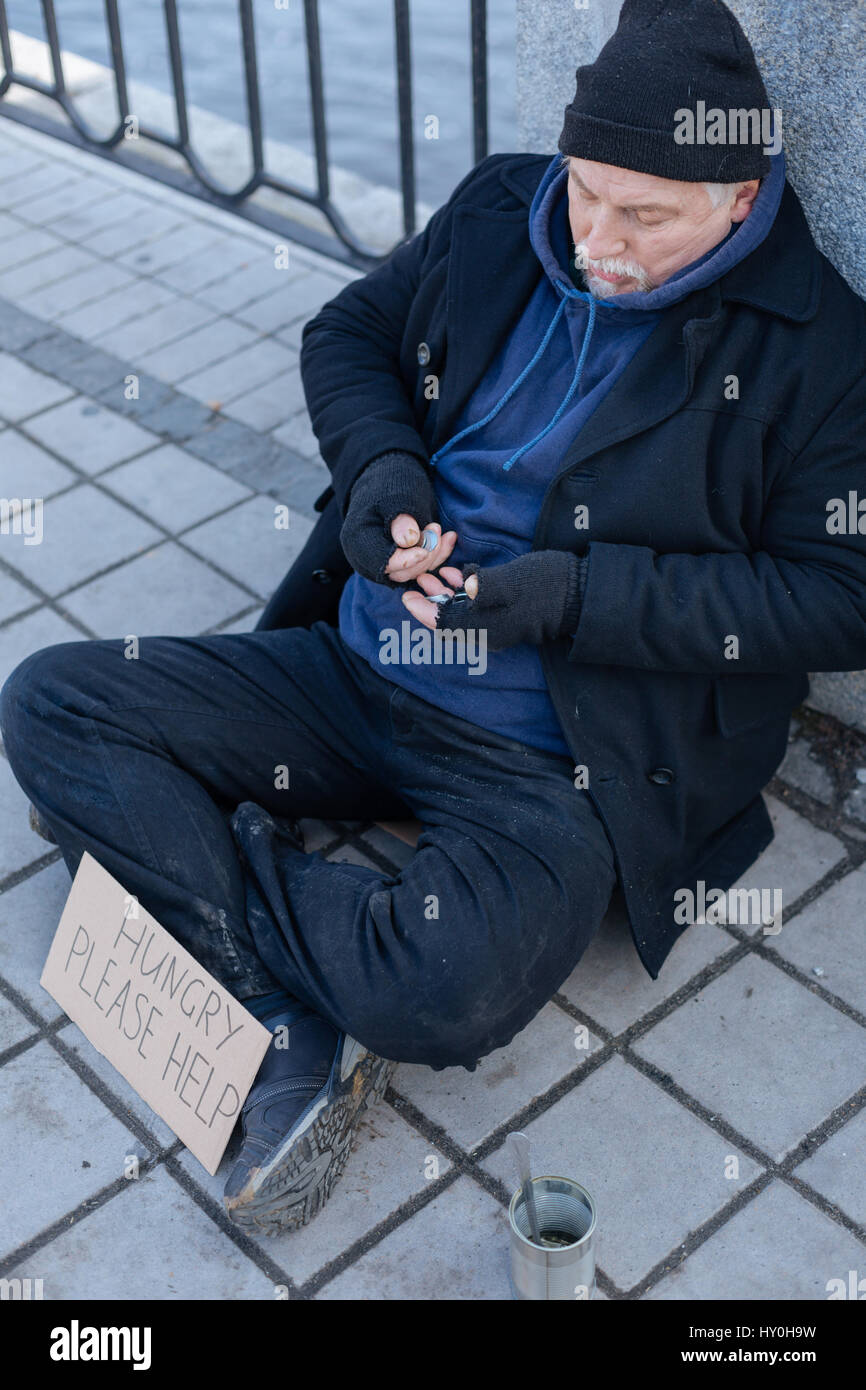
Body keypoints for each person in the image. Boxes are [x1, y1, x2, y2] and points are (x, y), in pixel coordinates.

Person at [3, 0, 865, 1236]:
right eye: (587, 194)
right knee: (48, 700)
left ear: (739, 195)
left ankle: (172, 859)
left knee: (448, 985)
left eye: (644, 216)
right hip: (357, 660)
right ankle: (285, 1001)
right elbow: (346, 333)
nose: (598, 243)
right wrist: (380, 483)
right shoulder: (498, 210)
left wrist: (580, 599)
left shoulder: (821, 347)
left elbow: (841, 595)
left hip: (552, 751)